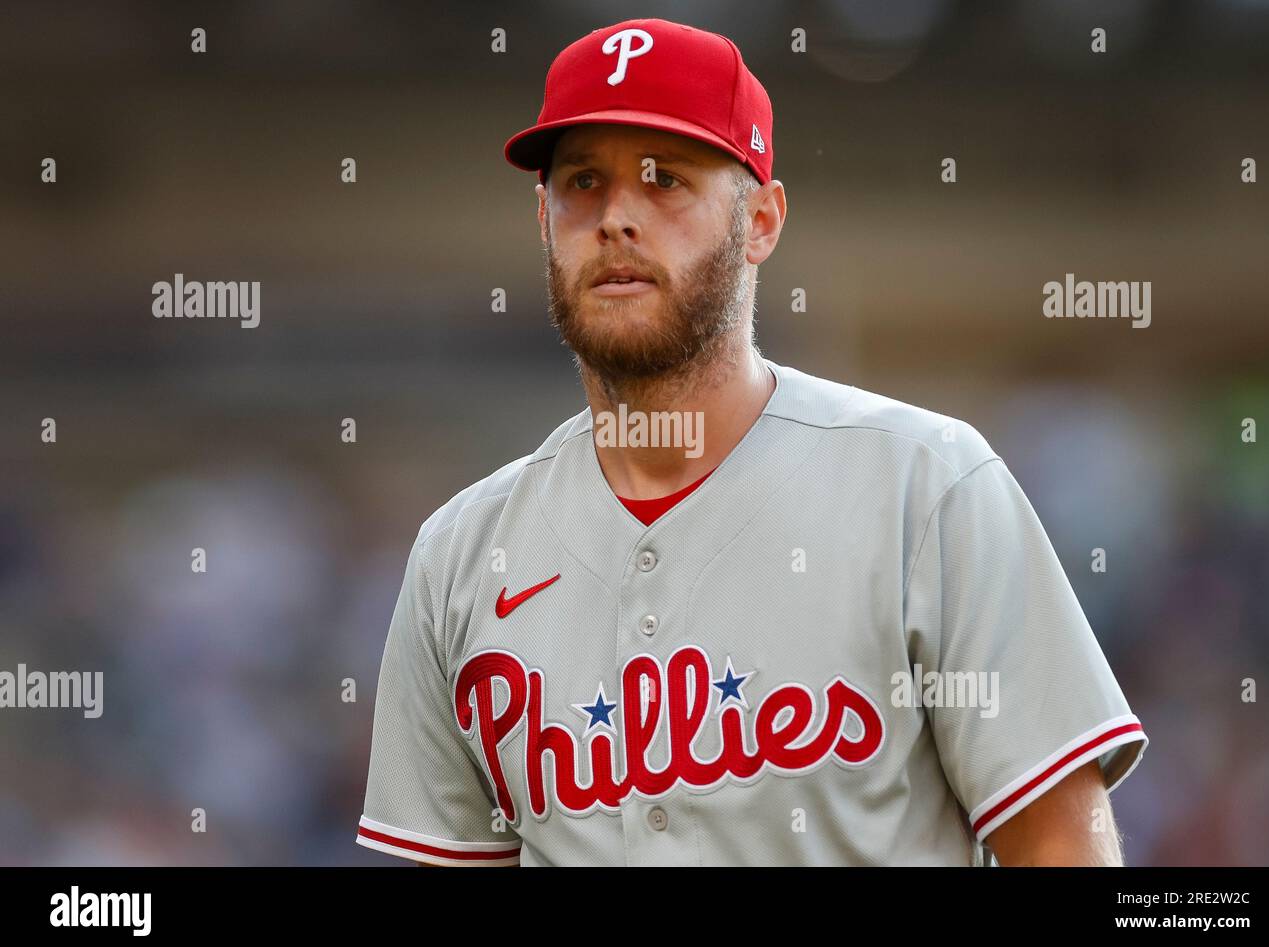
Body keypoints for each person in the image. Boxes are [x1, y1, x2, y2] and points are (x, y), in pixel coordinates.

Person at [356, 17, 1147, 867]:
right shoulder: (460, 556)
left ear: (762, 220)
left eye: (666, 180)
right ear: (542, 220)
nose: (617, 216)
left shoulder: (927, 487)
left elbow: (1064, 841)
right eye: (582, 181)